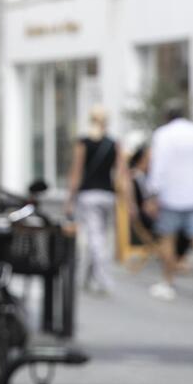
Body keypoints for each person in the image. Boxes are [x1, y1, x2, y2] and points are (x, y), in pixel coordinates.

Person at [145, 99, 193, 303]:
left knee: (168, 238)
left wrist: (153, 193)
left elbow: (158, 166)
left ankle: (168, 282)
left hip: (172, 196)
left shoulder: (163, 135)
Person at [64, 105, 127, 296]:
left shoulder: (84, 142)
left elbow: (76, 172)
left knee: (94, 238)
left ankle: (102, 278)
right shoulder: (113, 143)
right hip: (107, 195)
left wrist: (69, 198)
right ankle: (87, 277)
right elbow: (122, 174)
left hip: (88, 195)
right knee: (99, 236)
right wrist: (127, 199)